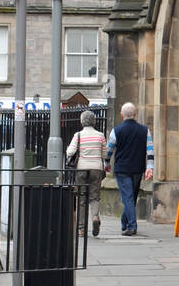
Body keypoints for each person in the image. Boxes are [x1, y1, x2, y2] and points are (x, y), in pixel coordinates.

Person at [104, 102, 154, 237]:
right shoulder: (145, 130)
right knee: (131, 197)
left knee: (127, 197)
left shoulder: (116, 131)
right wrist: (150, 167)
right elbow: (150, 150)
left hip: (122, 169)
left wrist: (106, 163)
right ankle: (124, 223)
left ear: (121, 115)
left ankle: (132, 226)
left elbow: (109, 150)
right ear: (135, 115)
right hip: (138, 168)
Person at [66, 109, 107, 238]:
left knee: (81, 199)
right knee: (95, 196)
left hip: (82, 168)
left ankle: (81, 229)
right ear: (94, 121)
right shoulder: (100, 135)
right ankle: (95, 216)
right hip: (96, 168)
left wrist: (71, 148)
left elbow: (70, 153)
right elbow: (105, 154)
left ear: (82, 121)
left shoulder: (78, 135)